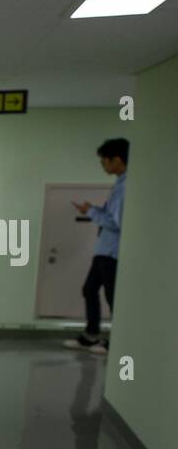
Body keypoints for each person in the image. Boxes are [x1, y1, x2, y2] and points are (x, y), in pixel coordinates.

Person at [65, 138, 128, 355]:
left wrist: (91, 212)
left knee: (113, 298)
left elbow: (116, 222)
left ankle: (115, 341)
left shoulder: (125, 187)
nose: (102, 165)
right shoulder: (119, 184)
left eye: (104, 161)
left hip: (112, 252)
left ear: (116, 160)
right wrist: (93, 210)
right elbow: (111, 215)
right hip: (103, 251)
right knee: (89, 289)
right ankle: (91, 335)